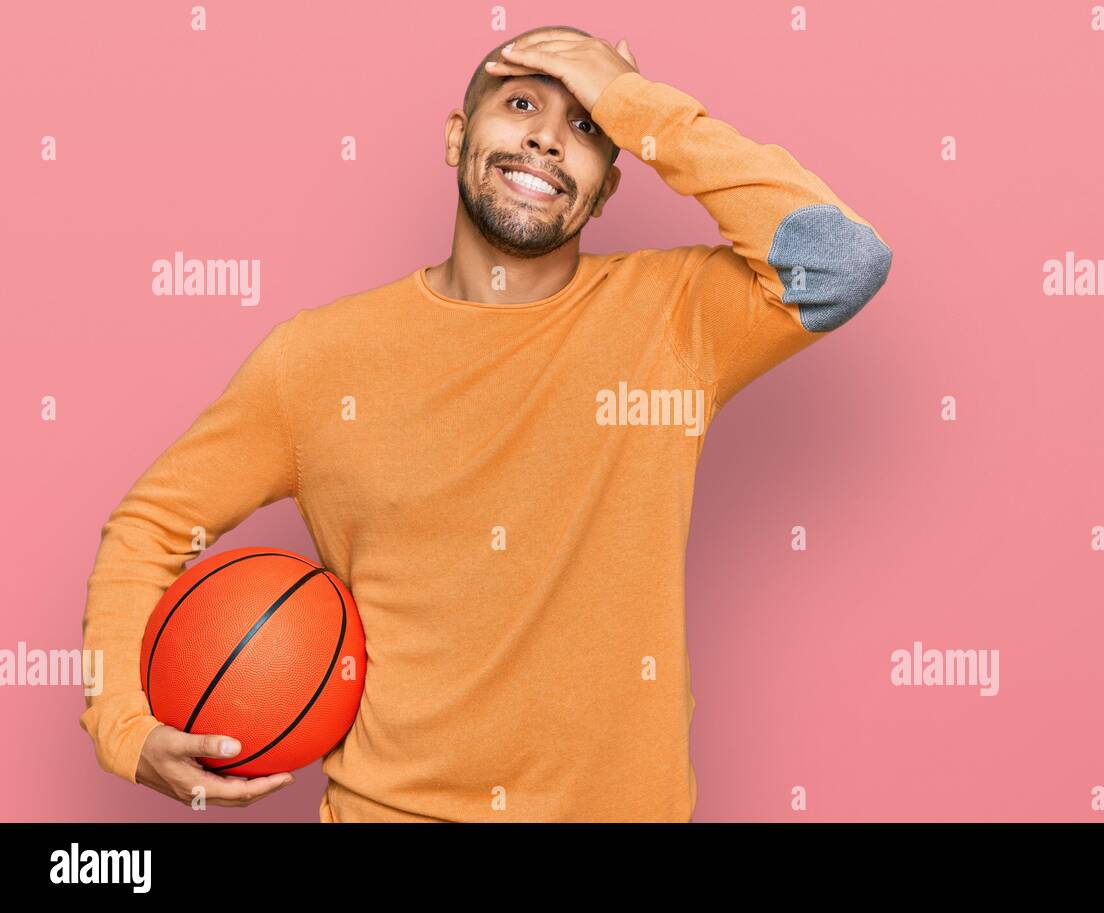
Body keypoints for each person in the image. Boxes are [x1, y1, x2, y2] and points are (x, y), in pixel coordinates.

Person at [80, 24, 893, 821]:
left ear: (609, 185)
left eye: (585, 126)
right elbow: (151, 524)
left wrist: (641, 107)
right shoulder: (316, 359)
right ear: (457, 135)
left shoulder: (674, 319)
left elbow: (843, 262)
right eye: (520, 104)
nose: (546, 140)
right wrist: (124, 723)